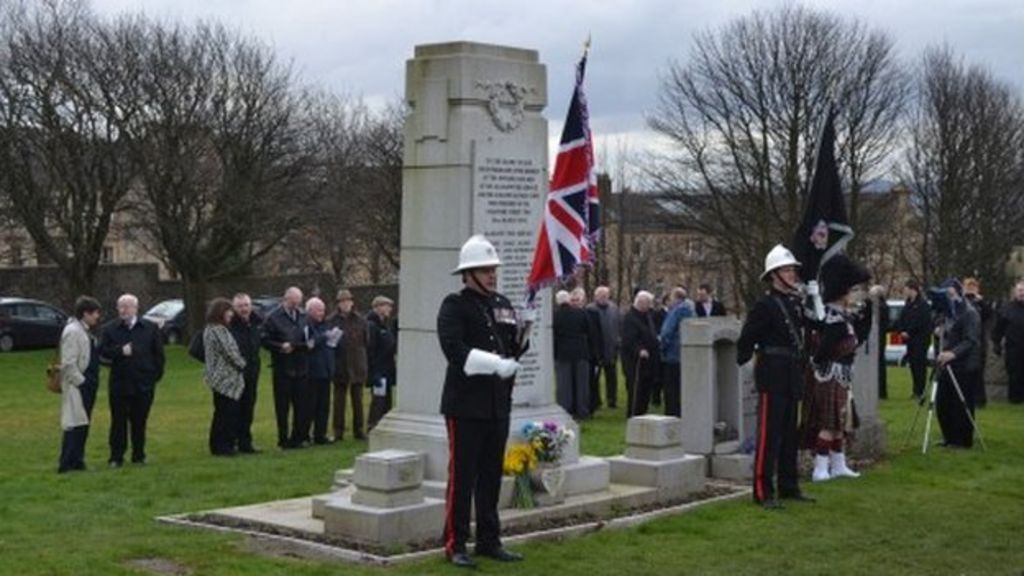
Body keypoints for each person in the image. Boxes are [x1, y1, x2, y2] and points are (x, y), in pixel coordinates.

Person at [438, 235, 526, 568]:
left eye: (493, 269)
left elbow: (511, 348)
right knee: (462, 478)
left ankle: (489, 540)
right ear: (468, 273)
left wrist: (523, 334)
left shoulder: (502, 303)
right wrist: (494, 364)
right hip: (465, 405)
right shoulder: (454, 305)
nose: (492, 275)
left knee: (491, 477)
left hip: (496, 404)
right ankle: (455, 543)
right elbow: (454, 350)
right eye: (485, 270)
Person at [736, 245, 815, 509]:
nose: (792, 274)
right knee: (770, 435)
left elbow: (812, 329)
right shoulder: (765, 306)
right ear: (774, 275)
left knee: (790, 435)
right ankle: (763, 491)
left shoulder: (795, 304)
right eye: (786, 270)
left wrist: (815, 302)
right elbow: (747, 338)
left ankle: (789, 485)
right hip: (773, 373)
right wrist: (746, 357)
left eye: (793, 270)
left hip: (792, 373)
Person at [801, 255, 873, 482]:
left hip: (842, 374)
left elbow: (859, 338)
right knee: (829, 423)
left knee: (841, 422)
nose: (856, 295)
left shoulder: (843, 316)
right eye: (853, 290)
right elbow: (823, 349)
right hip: (830, 374)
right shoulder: (833, 319)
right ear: (843, 292)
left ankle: (839, 464)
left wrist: (869, 310)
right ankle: (820, 467)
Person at [100, 294, 165, 467]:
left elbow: (158, 356)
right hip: (119, 384)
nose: (124, 310)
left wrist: (153, 378)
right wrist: (120, 351)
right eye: (121, 306)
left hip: (143, 384)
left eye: (128, 306)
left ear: (136, 308)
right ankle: (116, 457)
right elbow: (102, 352)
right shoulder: (110, 329)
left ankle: (139, 455)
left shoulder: (150, 328)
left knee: (139, 421)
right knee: (118, 422)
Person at [262, 286, 311, 449]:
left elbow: (308, 336)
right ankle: (283, 439)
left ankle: (298, 438)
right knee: (282, 407)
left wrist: (307, 344)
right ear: (286, 299)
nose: (295, 305)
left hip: (301, 366)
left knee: (301, 405)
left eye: (298, 302)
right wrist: (280, 347)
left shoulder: (303, 316)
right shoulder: (273, 317)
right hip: (283, 368)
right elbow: (264, 340)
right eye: (292, 302)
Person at [57, 296, 102, 473]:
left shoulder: (84, 330)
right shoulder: (73, 331)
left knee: (83, 423)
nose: (97, 317)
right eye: (95, 313)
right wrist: (82, 383)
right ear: (85, 313)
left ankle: (77, 460)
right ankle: (67, 463)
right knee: (74, 423)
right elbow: (68, 363)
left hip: (87, 383)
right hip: (78, 385)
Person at [934, 278, 981, 448]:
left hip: (964, 365)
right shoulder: (945, 313)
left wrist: (953, 353)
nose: (948, 297)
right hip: (946, 365)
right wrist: (939, 332)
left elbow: (970, 340)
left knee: (960, 403)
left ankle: (963, 440)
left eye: (951, 293)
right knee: (942, 402)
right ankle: (949, 437)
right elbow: (946, 332)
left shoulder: (969, 312)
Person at [203, 298, 247, 456]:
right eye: (229, 311)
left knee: (221, 412)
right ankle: (224, 446)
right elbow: (229, 352)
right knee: (226, 413)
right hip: (225, 378)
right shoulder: (218, 330)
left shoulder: (210, 329)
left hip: (218, 377)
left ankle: (218, 445)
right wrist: (242, 364)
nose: (231, 314)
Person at [329, 289, 369, 441]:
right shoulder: (331, 320)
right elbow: (329, 344)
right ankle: (338, 431)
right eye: (342, 301)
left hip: (357, 364)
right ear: (338, 304)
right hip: (340, 364)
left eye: (347, 301)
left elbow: (366, 342)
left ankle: (358, 430)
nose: (345, 304)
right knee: (339, 401)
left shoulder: (361, 320)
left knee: (358, 400)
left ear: (352, 302)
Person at [305, 297, 341, 444]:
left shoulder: (326, 324)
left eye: (323, 310)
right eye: (318, 310)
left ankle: (320, 434)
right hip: (312, 372)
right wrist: (324, 336)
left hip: (326, 371)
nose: (322, 313)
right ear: (310, 311)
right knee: (310, 406)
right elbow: (309, 344)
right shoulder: (306, 325)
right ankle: (305, 434)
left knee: (324, 406)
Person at [229, 293, 262, 453]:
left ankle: (245, 442)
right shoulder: (229, 326)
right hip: (235, 375)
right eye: (240, 306)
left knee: (248, 408)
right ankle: (232, 441)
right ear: (234, 308)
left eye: (246, 305)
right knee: (234, 410)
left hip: (252, 373)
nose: (244, 309)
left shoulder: (255, 324)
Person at [553, 289, 591, 419]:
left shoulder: (555, 316)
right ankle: (582, 410)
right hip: (580, 351)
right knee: (582, 384)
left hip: (563, 352)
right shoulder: (580, 313)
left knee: (564, 384)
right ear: (569, 300)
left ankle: (565, 410)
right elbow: (588, 330)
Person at [621, 290, 660, 417]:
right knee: (636, 388)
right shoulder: (629, 318)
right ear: (641, 302)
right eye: (648, 303)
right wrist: (639, 350)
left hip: (649, 360)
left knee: (646, 388)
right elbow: (628, 340)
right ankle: (634, 414)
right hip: (634, 361)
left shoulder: (647, 315)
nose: (650, 306)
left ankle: (643, 413)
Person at [893, 280, 932, 399]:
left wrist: (909, 331)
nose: (905, 292)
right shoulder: (908, 304)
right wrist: (901, 330)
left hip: (920, 340)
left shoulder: (923, 305)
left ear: (912, 289)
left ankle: (920, 391)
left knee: (920, 365)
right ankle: (915, 389)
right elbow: (902, 319)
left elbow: (921, 322)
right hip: (910, 340)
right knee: (913, 365)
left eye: (906, 289)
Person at [659, 287, 694, 417]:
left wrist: (662, 347)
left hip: (673, 355)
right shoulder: (692, 311)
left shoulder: (676, 311)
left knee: (671, 388)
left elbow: (666, 332)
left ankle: (671, 413)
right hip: (688, 355)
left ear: (676, 298)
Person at [366, 295, 397, 431]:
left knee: (386, 400)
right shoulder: (372, 325)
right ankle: (373, 425)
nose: (390, 309)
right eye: (387, 306)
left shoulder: (385, 325)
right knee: (378, 400)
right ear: (378, 307)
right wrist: (374, 372)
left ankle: (385, 425)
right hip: (379, 370)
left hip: (387, 369)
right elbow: (370, 350)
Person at [587, 286, 621, 409]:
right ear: (595, 296)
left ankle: (612, 400)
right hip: (597, 350)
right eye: (601, 295)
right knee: (595, 378)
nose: (603, 298)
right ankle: (596, 401)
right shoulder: (590, 310)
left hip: (611, 348)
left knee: (612, 377)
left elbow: (618, 325)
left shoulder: (614, 308)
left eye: (606, 295)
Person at [992, 280, 1024, 404]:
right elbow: (998, 328)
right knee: (1014, 374)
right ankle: (1015, 400)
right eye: (1020, 290)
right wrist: (996, 344)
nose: (1022, 293)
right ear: (1015, 292)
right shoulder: (1006, 309)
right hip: (1013, 348)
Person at [963, 278, 992, 407]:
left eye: (973, 287)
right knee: (966, 370)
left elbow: (989, 315)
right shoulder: (962, 303)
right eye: (968, 287)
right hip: (965, 339)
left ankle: (979, 399)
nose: (970, 290)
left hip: (979, 341)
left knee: (978, 370)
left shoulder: (981, 303)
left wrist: (980, 301)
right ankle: (966, 397)